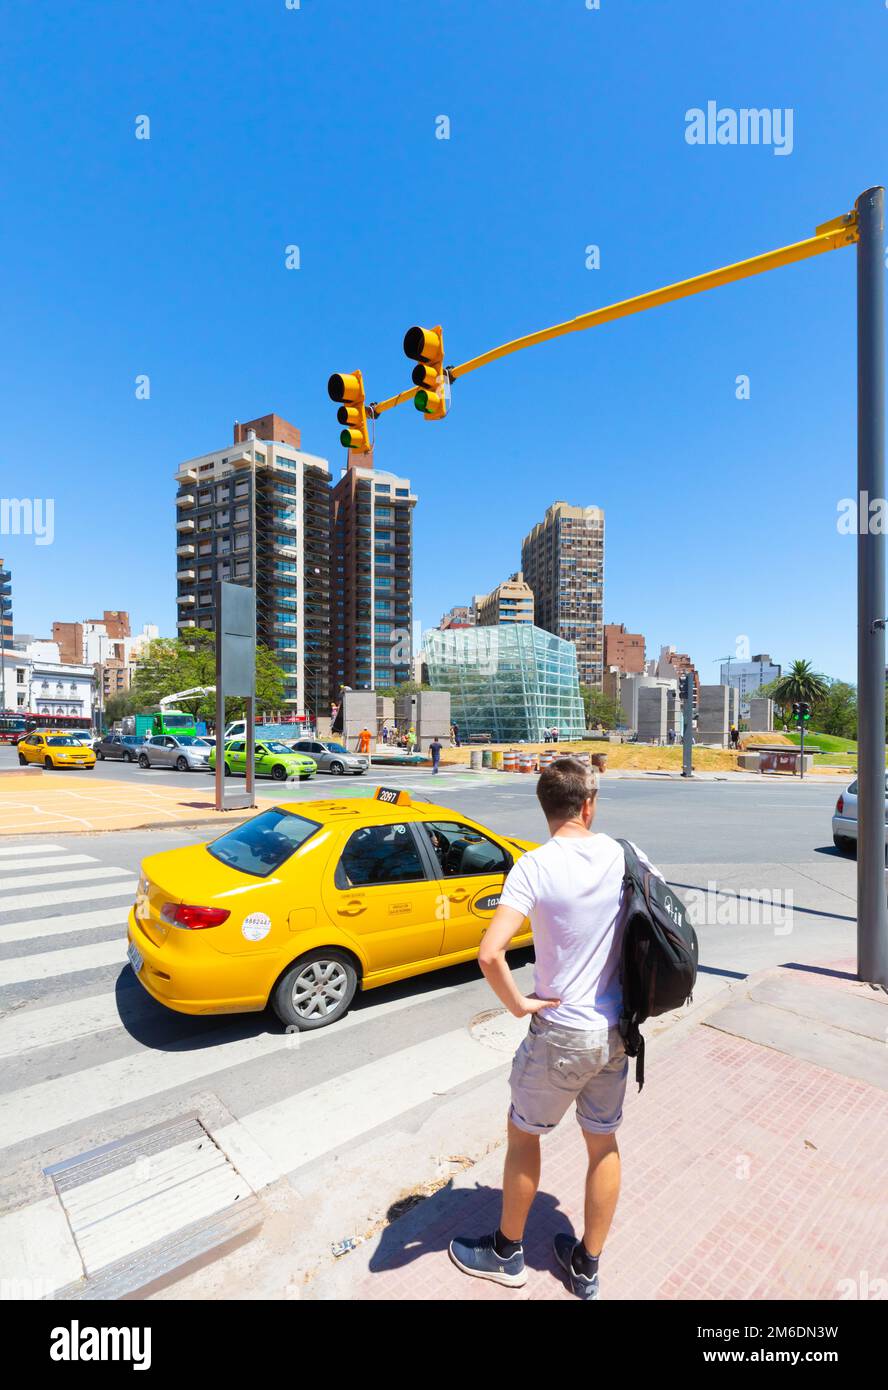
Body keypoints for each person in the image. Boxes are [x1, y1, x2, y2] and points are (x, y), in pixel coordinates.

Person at [448, 757, 662, 1300]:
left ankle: (505, 1252)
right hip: (616, 1030)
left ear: (545, 808)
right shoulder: (625, 854)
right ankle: (587, 1265)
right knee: (602, 1143)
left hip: (560, 1029)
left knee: (523, 1136)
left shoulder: (534, 866)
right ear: (588, 805)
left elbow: (490, 954)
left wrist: (520, 1004)